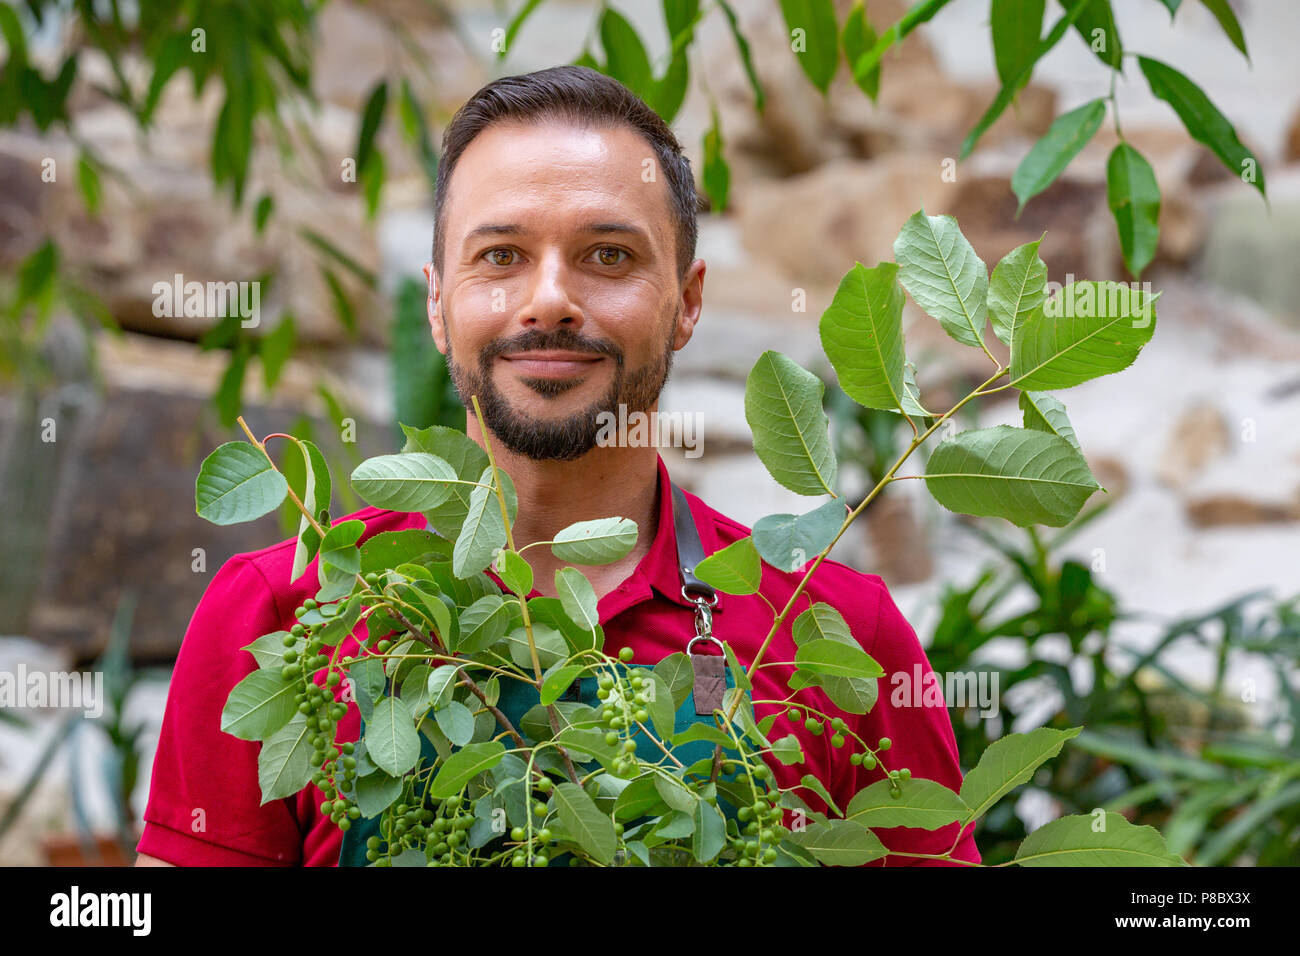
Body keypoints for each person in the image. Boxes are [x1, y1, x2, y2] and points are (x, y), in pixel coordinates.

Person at [136, 65, 980, 867]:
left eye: (609, 255)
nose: (549, 299)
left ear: (686, 302)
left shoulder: (834, 629)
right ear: (436, 302)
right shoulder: (283, 617)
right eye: (500, 255)